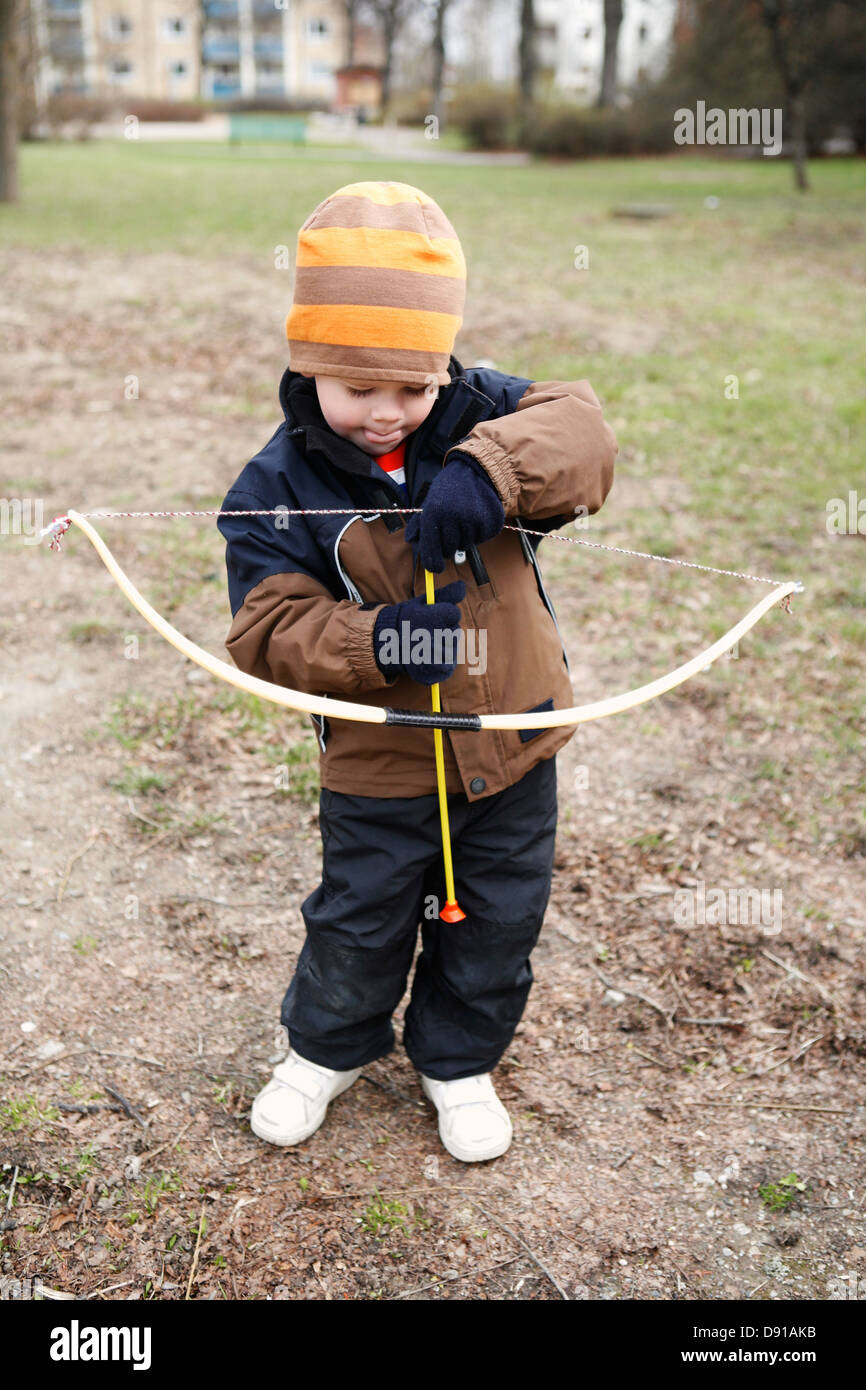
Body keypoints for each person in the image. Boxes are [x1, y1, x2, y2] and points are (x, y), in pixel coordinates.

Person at [217, 180, 617, 1163]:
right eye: (358, 388)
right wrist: (381, 642)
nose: (387, 413)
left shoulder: (478, 411)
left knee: (493, 919)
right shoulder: (275, 488)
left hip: (509, 742)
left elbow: (585, 437)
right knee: (358, 921)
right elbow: (267, 628)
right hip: (379, 764)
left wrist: (489, 471)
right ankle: (325, 1049)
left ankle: (455, 1061)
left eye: (413, 387)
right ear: (307, 362)